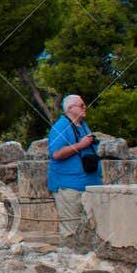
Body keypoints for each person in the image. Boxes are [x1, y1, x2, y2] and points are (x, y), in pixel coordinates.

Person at [48, 94, 101, 242]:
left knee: (89, 229)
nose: (85, 108)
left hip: (88, 183)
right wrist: (80, 145)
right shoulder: (61, 127)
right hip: (69, 186)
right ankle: (70, 260)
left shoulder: (82, 125)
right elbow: (56, 153)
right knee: (71, 231)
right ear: (70, 109)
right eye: (82, 105)